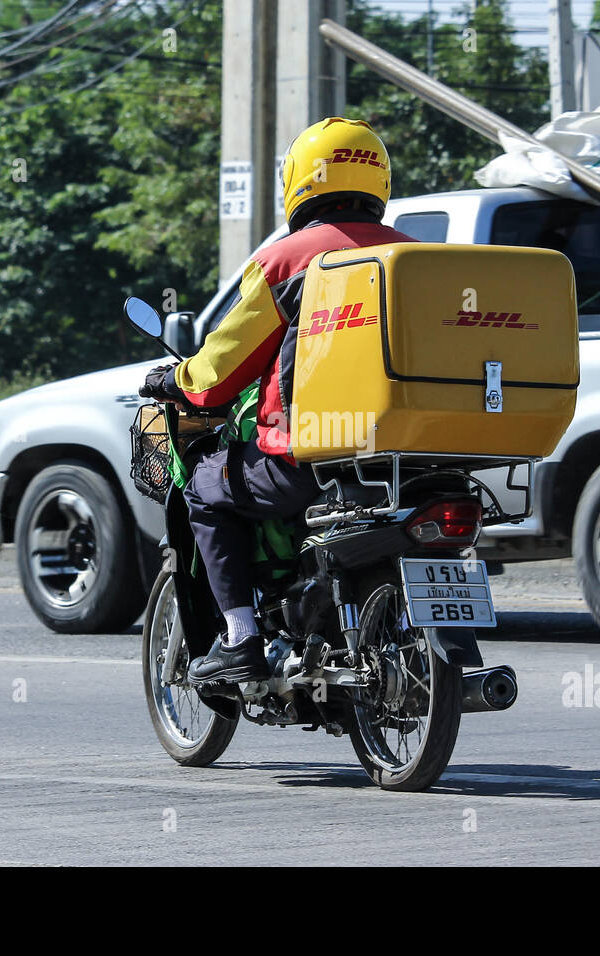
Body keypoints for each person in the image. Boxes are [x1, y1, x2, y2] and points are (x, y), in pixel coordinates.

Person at [138, 117, 414, 686]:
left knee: (205, 487)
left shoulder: (286, 261)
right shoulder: (419, 258)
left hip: (314, 457)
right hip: (418, 459)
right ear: (379, 180)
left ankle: (241, 637)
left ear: (301, 181)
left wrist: (175, 380)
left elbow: (219, 372)